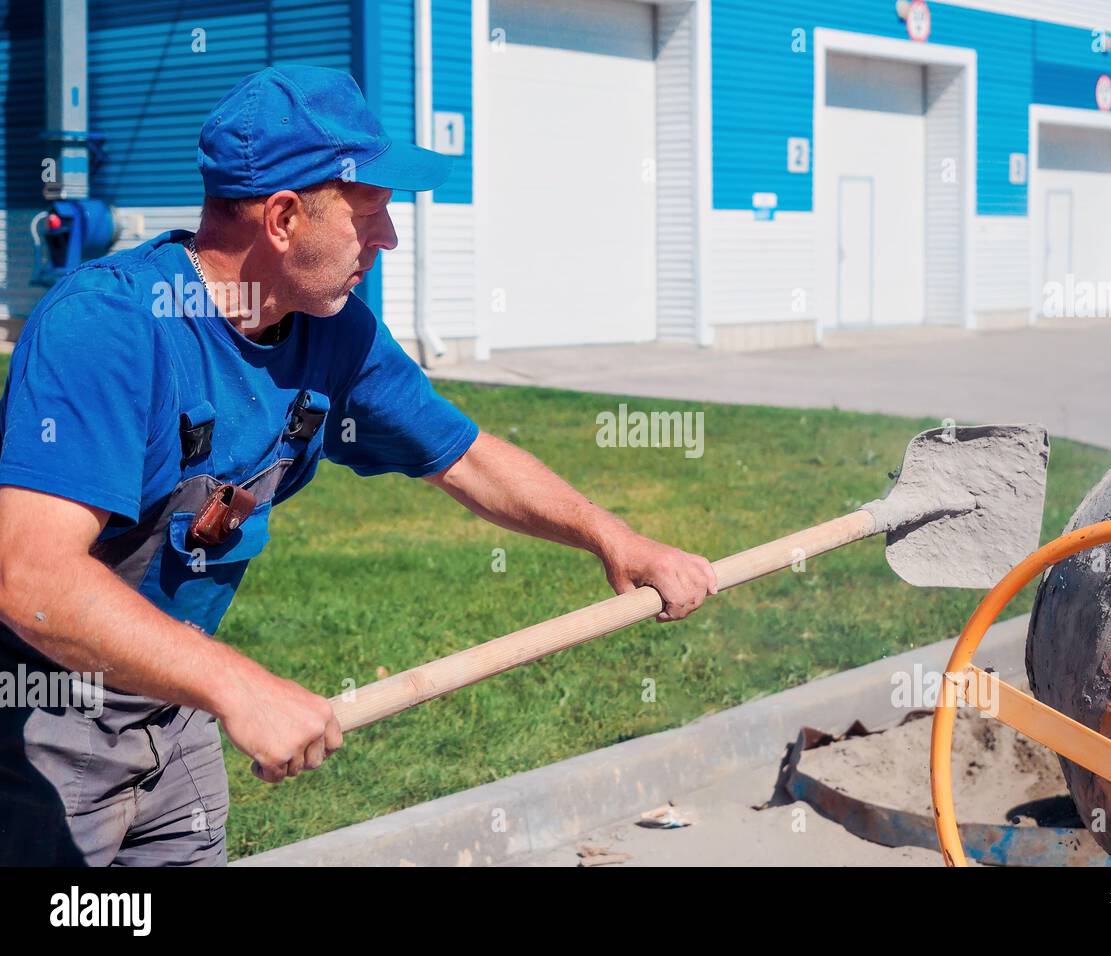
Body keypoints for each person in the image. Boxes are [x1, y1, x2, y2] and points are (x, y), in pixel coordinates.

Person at [0, 65, 716, 865]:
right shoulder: (108, 329)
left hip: (176, 713)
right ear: (280, 218)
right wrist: (237, 685)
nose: (389, 240)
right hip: (42, 724)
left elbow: (466, 459)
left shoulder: (333, 330)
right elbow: (30, 579)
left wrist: (612, 537)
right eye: (369, 215)